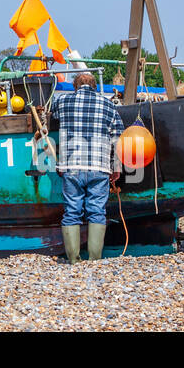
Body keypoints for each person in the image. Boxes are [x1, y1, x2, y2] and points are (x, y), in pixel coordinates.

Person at [49, 71, 123, 263]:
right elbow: (118, 139)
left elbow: (50, 112)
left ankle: (73, 259)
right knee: (97, 211)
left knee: (72, 211)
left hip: (71, 165)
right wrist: (117, 168)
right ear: (95, 87)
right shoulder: (109, 105)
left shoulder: (63, 101)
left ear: (75, 86)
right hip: (99, 166)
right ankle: (94, 259)